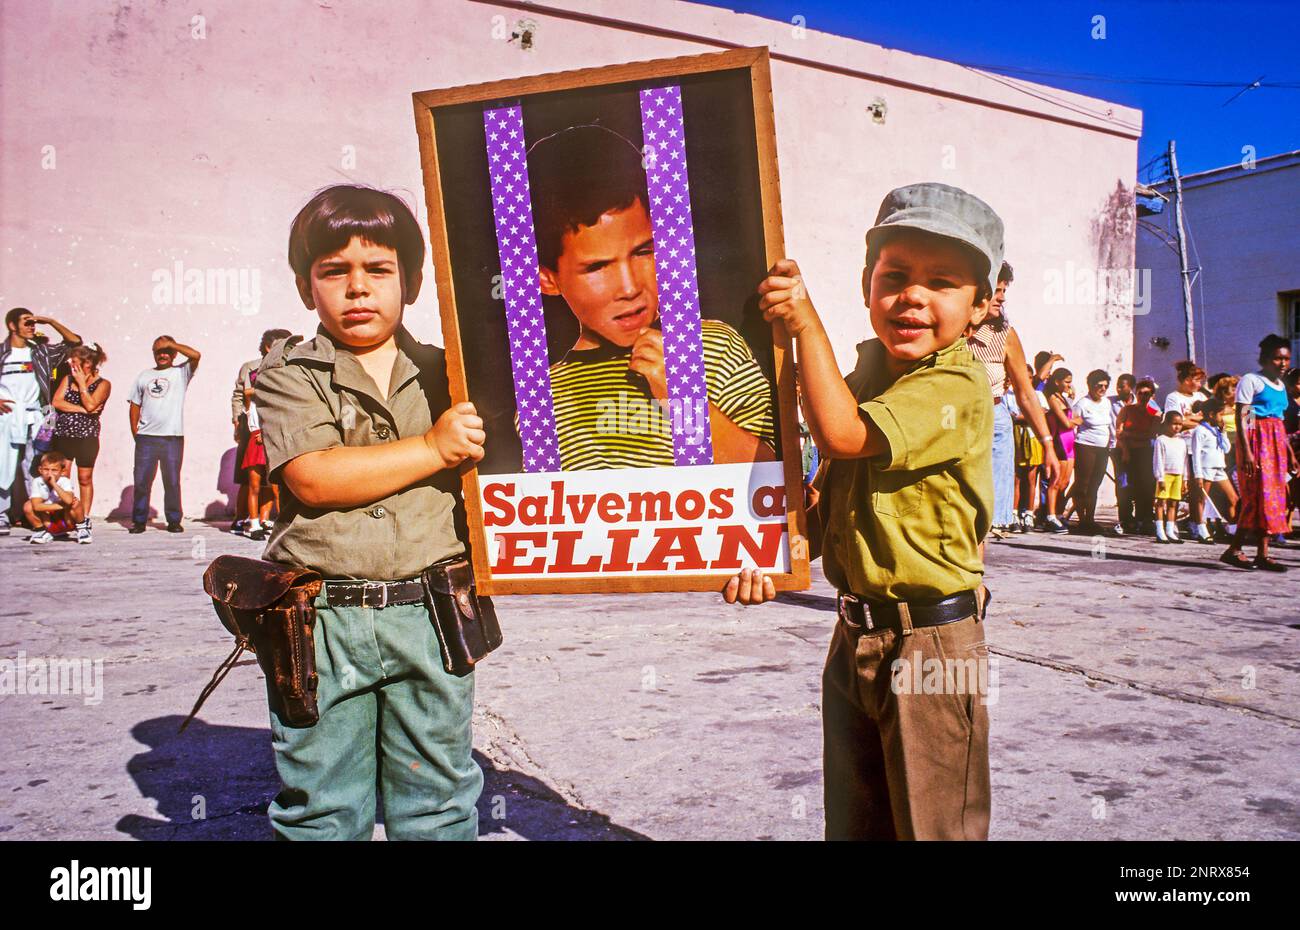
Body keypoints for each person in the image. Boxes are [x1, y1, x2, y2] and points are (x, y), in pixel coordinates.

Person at [726, 182, 1001, 841]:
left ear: (981, 306)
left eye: (942, 282)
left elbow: (842, 436)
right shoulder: (866, 376)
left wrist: (802, 324)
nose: (912, 296)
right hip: (855, 637)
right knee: (856, 826)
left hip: (932, 644)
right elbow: (828, 503)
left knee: (936, 829)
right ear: (867, 283)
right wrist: (768, 557)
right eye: (896, 275)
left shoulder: (957, 382)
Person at [253, 184, 484, 840]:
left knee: (437, 800)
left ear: (410, 282)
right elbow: (314, 476)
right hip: (320, 621)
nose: (358, 288)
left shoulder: (454, 374)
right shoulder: (287, 373)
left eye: (378, 270)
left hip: (434, 616)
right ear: (306, 288)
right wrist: (435, 446)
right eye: (334, 271)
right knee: (322, 806)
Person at [528, 125, 774, 470]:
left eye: (644, 252)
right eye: (597, 267)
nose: (629, 287)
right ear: (548, 279)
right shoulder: (544, 397)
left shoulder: (713, 347)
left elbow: (775, 481)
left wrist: (686, 402)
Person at [966, 261, 1061, 539]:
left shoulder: (1004, 334)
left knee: (983, 522)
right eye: (997, 290)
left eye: (1004, 290)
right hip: (954, 423)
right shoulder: (950, 329)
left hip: (994, 425)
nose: (1003, 297)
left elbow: (1026, 394)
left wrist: (1048, 446)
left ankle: (974, 582)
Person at [0, 308, 82, 535]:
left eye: (33, 323)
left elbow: (74, 342)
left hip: (38, 417)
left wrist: (51, 321)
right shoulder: (2, 353)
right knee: (3, 465)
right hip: (6, 418)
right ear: (12, 326)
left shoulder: (41, 352)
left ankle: (36, 513)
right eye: (26, 323)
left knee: (36, 465)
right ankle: (1, 516)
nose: (32, 327)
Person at [1220, 335, 1295, 571]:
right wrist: (1248, 452)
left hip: (1276, 444)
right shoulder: (1252, 381)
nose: (1282, 363)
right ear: (1265, 359)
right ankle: (1234, 549)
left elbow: (1279, 423)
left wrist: (1290, 453)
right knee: (1255, 497)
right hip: (1255, 441)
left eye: (1286, 359)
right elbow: (1244, 419)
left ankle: (1263, 554)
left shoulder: (1282, 387)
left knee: (1272, 498)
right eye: (1277, 358)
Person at [127, 335, 200, 533]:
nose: (163, 355)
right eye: (159, 351)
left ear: (175, 354)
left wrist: (171, 344)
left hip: (172, 437)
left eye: (167, 351)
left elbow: (196, 355)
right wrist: (136, 431)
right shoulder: (144, 376)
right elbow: (134, 405)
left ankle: (174, 520)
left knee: (172, 481)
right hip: (146, 438)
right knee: (142, 481)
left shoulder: (181, 372)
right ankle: (139, 521)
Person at [50, 343, 110, 543]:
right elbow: (57, 402)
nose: (70, 364)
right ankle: (66, 519)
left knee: (85, 478)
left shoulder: (103, 383)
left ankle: (83, 519)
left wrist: (83, 386)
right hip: (64, 435)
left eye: (74, 361)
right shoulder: (67, 379)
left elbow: (93, 403)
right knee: (63, 478)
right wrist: (83, 410)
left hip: (87, 437)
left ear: (87, 363)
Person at [234, 329, 291, 540]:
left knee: (273, 484)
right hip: (257, 435)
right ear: (269, 346)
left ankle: (268, 519)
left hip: (275, 434)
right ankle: (249, 521)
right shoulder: (252, 369)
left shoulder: (287, 368)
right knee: (252, 483)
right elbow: (244, 396)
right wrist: (243, 426)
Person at [1071, 369, 1115, 535]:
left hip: (1103, 448)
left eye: (1105, 385)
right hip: (1085, 446)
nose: (1103, 389)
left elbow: (1109, 425)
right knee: (1083, 484)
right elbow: (1071, 424)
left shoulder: (1106, 403)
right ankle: (1082, 521)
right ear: (1090, 385)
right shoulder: (1082, 404)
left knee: (1095, 485)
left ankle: (1090, 519)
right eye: (1099, 385)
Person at [1115, 378, 1160, 535]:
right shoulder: (1127, 410)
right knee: (1124, 486)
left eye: (1147, 394)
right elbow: (1119, 433)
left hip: (1145, 453)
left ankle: (1144, 518)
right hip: (1125, 452)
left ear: (1152, 395)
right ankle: (1126, 519)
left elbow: (1150, 434)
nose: (1143, 396)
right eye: (1140, 393)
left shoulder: (1155, 413)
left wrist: (1129, 434)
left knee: (1145, 487)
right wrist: (1126, 448)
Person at [1189, 399, 1236, 543]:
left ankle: (1233, 530)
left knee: (1233, 498)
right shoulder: (1199, 430)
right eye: (1220, 414)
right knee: (1201, 499)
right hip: (1205, 468)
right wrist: (1198, 475)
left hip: (1219, 468)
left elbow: (1226, 449)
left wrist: (1224, 433)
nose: (1222, 418)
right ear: (1211, 414)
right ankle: (1202, 530)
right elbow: (1196, 454)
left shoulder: (1217, 430)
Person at [1009, 365, 1048, 532]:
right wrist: (1031, 415)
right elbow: (1014, 416)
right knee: (1016, 477)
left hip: (1033, 438)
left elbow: (1042, 412)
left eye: (1030, 377)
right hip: (1017, 437)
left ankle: (1029, 514)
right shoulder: (1009, 395)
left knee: (1032, 478)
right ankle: (1014, 514)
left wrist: (1028, 416)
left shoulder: (1038, 394)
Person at [1043, 367, 1079, 534]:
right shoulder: (1052, 399)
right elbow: (1065, 423)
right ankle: (1050, 516)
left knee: (1064, 482)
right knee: (1056, 481)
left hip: (1070, 443)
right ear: (1057, 382)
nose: (1069, 385)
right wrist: (1077, 421)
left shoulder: (1063, 398)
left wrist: (1072, 397)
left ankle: (1057, 513)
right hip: (1061, 442)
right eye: (1067, 382)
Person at [24, 450, 85, 544]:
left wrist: (53, 484)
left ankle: (82, 528)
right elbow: (36, 506)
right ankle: (42, 531)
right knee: (28, 506)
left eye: (54, 470)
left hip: (66, 520)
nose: (49, 473)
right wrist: (61, 506)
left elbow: (69, 501)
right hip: (48, 520)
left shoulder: (65, 481)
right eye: (46, 469)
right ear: (40, 470)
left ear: (62, 471)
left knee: (76, 503)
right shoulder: (37, 481)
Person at [1153, 413, 1187, 544]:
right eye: (1174, 424)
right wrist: (1160, 477)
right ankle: (1160, 531)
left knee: (1174, 503)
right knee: (1161, 502)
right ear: (1166, 424)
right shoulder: (1161, 440)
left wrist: (1185, 479)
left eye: (1179, 424)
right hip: (1165, 475)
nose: (1177, 427)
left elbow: (1184, 461)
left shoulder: (1182, 442)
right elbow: (1158, 460)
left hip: (1178, 475)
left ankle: (1170, 530)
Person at [1108, 373, 1135, 532]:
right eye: (1117, 385)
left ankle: (1139, 518)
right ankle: (1125, 517)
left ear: (1131, 387)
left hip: (1138, 447)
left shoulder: (1141, 402)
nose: (1118, 388)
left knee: (1137, 483)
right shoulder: (1110, 402)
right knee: (1122, 481)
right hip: (1116, 447)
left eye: (1122, 385)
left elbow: (1158, 416)